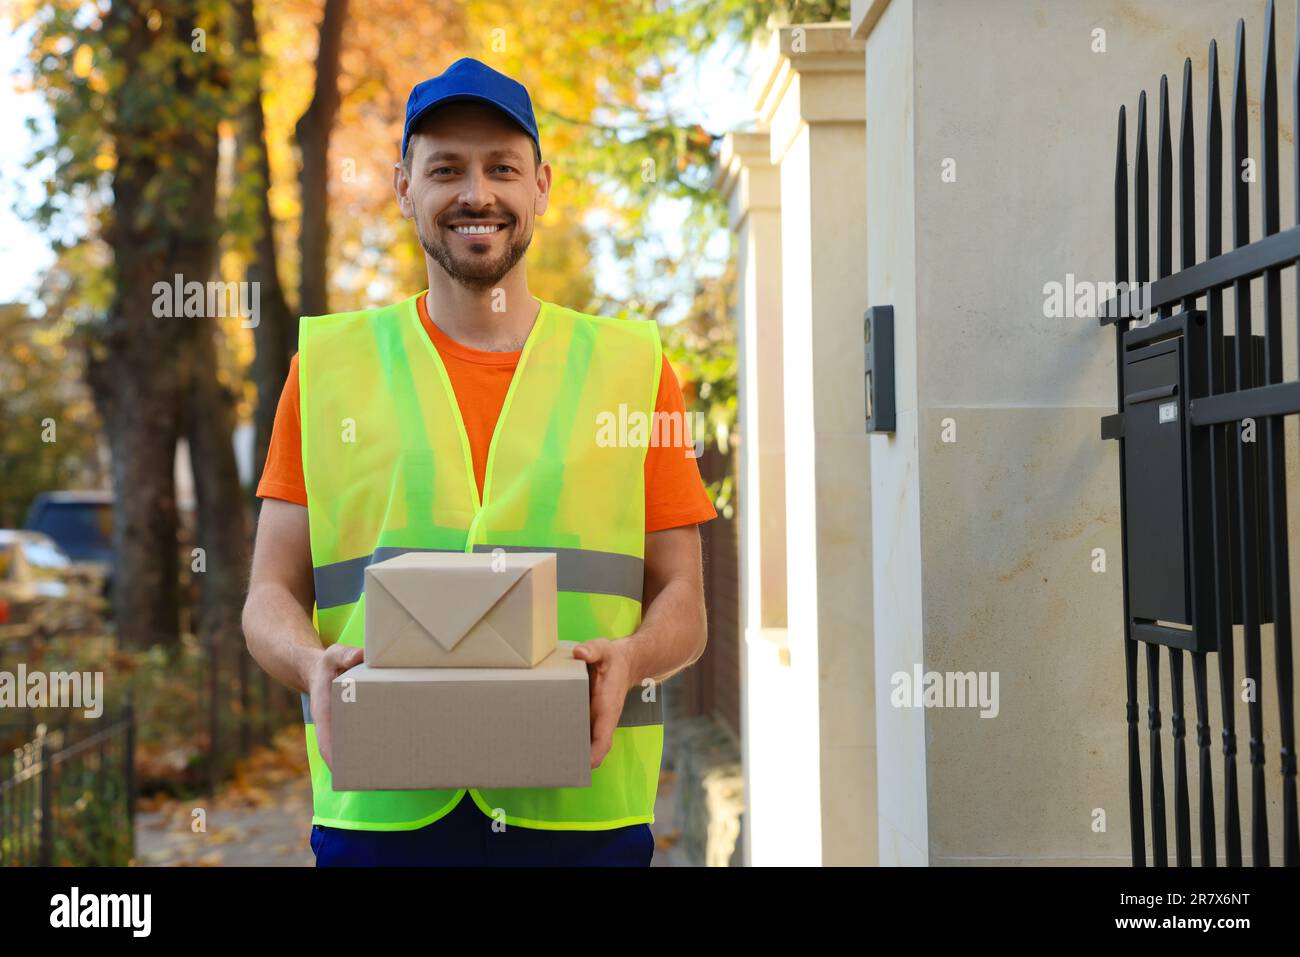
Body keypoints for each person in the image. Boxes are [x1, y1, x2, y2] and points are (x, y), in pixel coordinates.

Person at [241, 57, 717, 866]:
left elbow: (687, 600)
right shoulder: (325, 368)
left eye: (503, 167)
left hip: (580, 812)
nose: (477, 193)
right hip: (383, 814)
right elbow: (266, 595)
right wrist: (309, 664)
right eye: (446, 169)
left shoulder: (633, 369)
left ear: (542, 187)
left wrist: (632, 656)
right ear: (402, 189)